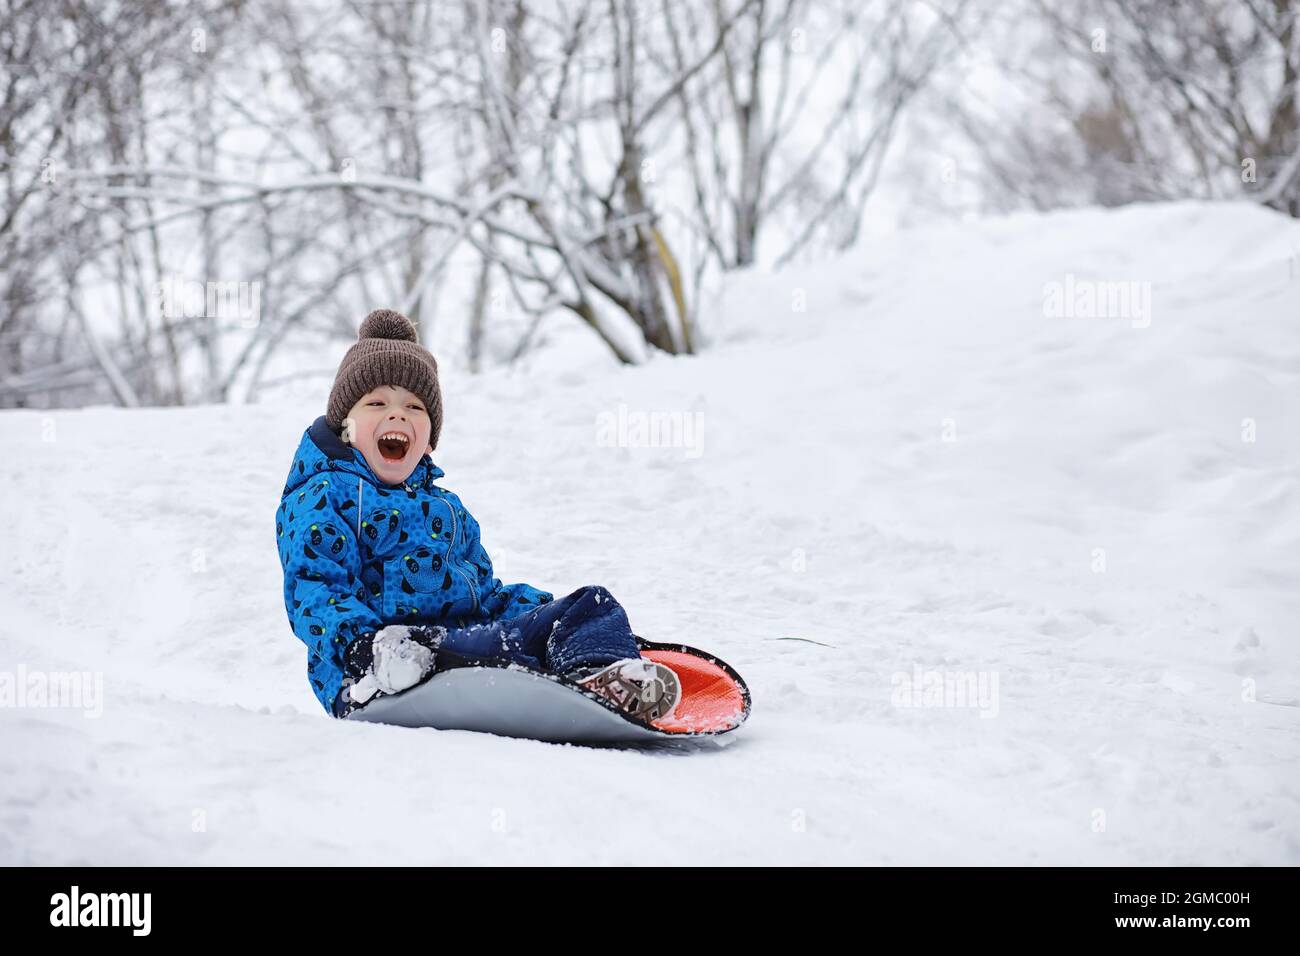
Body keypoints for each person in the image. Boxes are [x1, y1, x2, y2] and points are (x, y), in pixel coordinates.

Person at [275, 308, 680, 724]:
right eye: (376, 402)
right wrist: (364, 645)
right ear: (345, 427)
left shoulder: (448, 510)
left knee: (589, 604)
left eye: (414, 407)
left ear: (428, 443)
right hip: (374, 666)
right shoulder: (324, 494)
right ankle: (555, 669)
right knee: (485, 648)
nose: (396, 414)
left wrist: (555, 618)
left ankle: (602, 667)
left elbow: (484, 596)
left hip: (462, 646)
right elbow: (314, 588)